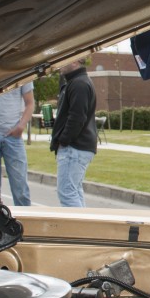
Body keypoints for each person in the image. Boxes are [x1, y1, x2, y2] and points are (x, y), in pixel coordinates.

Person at [50, 59, 97, 207]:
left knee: (67, 192)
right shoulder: (76, 82)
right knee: (74, 191)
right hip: (78, 147)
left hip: (74, 147)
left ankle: (76, 229)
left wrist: (63, 140)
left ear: (75, 61)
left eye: (63, 60)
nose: (58, 64)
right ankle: (83, 227)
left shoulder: (79, 84)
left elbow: (77, 117)